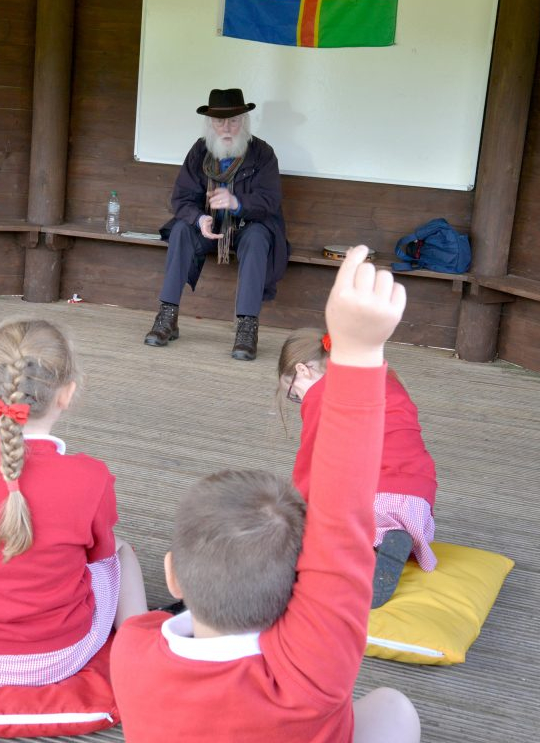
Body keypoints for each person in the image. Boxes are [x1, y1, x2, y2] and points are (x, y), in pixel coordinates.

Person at [113, 247, 422, 742]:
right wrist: (361, 355)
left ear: (172, 575)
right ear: (293, 590)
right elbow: (342, 518)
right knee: (394, 708)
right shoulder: (313, 672)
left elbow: (140, 627)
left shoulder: (130, 652)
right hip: (408, 501)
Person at [0, 318, 148, 687]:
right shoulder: (89, 477)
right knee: (122, 552)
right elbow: (99, 554)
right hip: (57, 655)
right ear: (66, 393)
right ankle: (139, 652)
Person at [279, 327, 440, 608]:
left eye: (293, 394)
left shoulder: (322, 393)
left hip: (371, 498)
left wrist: (298, 512)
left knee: (317, 538)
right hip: (417, 500)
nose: (299, 401)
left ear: (303, 370)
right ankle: (384, 543)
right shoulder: (382, 376)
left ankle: (364, 558)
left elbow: (311, 464)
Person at [144, 88, 290, 361]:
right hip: (209, 229)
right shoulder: (200, 151)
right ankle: (167, 316)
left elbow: (269, 201)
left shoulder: (262, 153)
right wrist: (200, 219)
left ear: (244, 122)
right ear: (209, 123)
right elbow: (182, 198)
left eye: (234, 120)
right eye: (220, 121)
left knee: (259, 237)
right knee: (180, 230)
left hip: (247, 226)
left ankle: (247, 327)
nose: (226, 127)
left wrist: (236, 203)